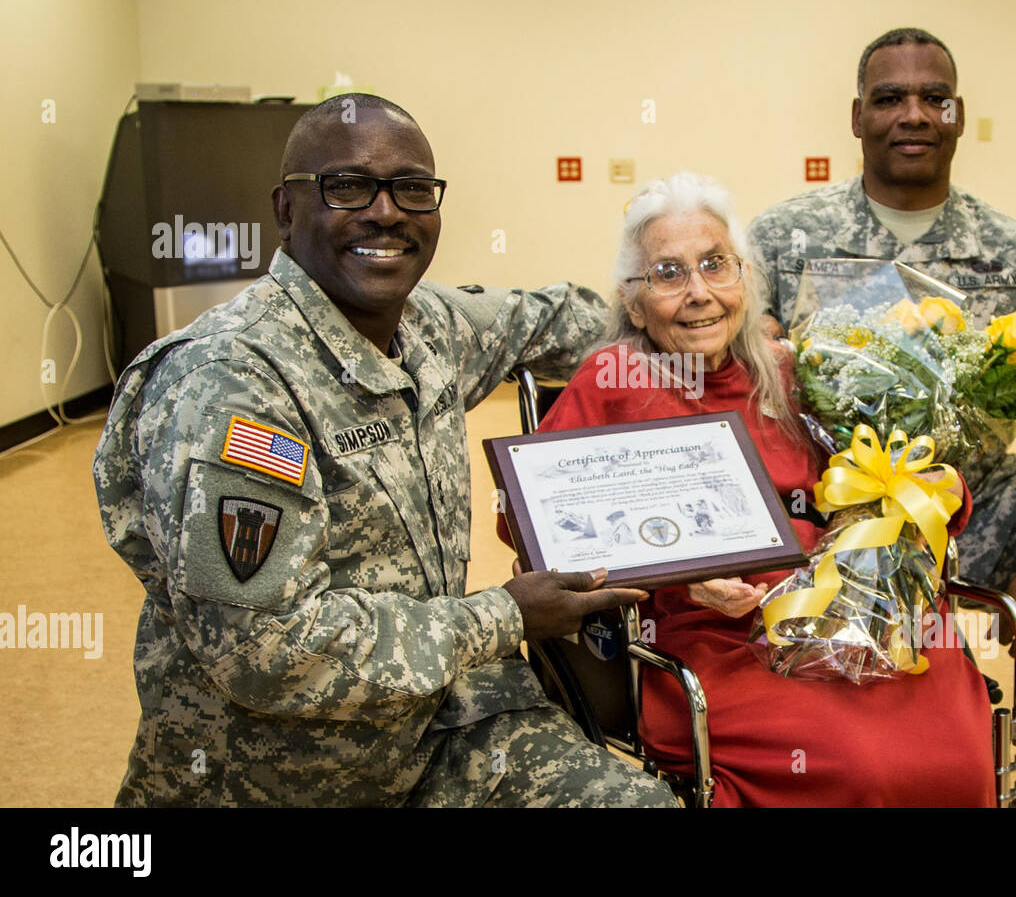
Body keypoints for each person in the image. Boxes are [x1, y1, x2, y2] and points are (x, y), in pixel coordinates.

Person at [92, 93, 678, 808]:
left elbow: (562, 317)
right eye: (347, 186)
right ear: (285, 209)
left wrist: (700, 330)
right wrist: (505, 616)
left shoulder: (428, 325)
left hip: (435, 726)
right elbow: (267, 651)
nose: (386, 212)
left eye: (411, 189)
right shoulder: (231, 383)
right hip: (276, 773)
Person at [747, 28, 1016, 806]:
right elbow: (725, 375)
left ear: (957, 115)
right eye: (890, 98)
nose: (912, 113)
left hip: (971, 505)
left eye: (932, 98)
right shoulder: (785, 240)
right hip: (825, 513)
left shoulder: (1009, 253)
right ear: (856, 117)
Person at [512, 172, 995, 807]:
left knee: (954, 753)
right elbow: (538, 527)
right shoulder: (613, 378)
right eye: (667, 273)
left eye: (716, 265)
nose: (699, 293)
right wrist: (674, 574)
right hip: (715, 635)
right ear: (633, 303)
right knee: (862, 766)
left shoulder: (793, 369)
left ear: (743, 279)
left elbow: (887, 472)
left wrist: (926, 485)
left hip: (850, 614)